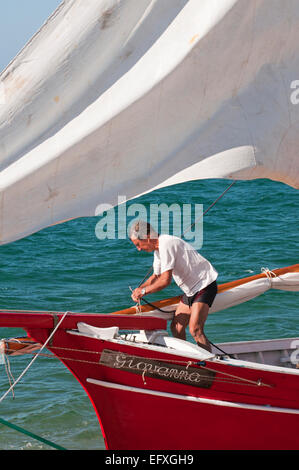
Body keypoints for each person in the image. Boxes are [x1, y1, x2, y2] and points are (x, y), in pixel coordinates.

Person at [129, 220, 218, 352]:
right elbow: (156, 276)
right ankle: (187, 357)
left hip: (204, 285)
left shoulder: (166, 244)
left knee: (195, 330)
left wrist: (144, 291)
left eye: (138, 244)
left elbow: (165, 280)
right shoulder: (158, 250)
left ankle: (208, 365)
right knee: (176, 327)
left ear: (147, 237)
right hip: (190, 291)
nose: (139, 249)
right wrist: (138, 289)